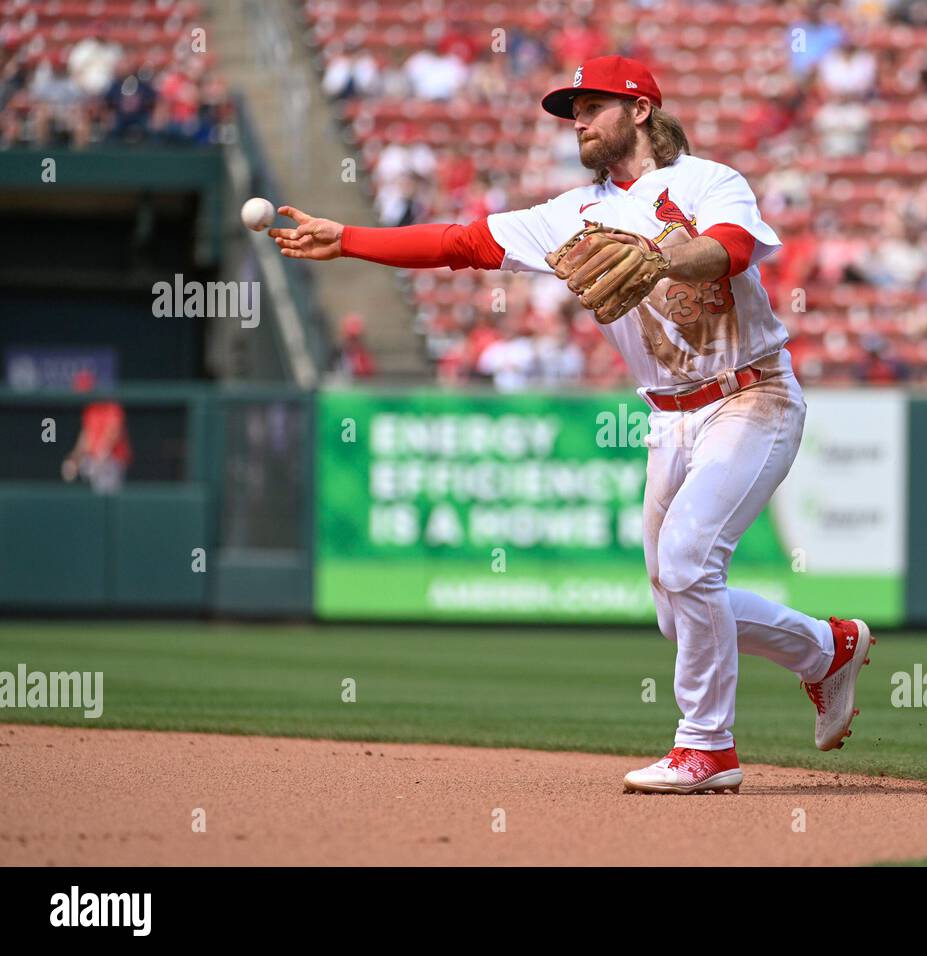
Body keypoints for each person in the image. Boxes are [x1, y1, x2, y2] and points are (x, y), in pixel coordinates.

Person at [269, 55, 874, 795]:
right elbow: (462, 244)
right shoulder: (567, 215)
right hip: (668, 418)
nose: (577, 120)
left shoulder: (709, 181)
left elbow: (733, 250)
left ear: (641, 110)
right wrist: (350, 238)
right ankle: (825, 649)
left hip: (751, 396)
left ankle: (707, 748)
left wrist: (660, 257)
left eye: (591, 105)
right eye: (571, 110)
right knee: (676, 605)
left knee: (688, 560)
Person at [61, 370, 130, 494]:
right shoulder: (89, 410)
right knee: (72, 469)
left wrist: (101, 455)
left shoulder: (110, 405)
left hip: (113, 460)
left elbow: (114, 432)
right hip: (95, 460)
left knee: (108, 492)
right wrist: (74, 458)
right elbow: (86, 438)